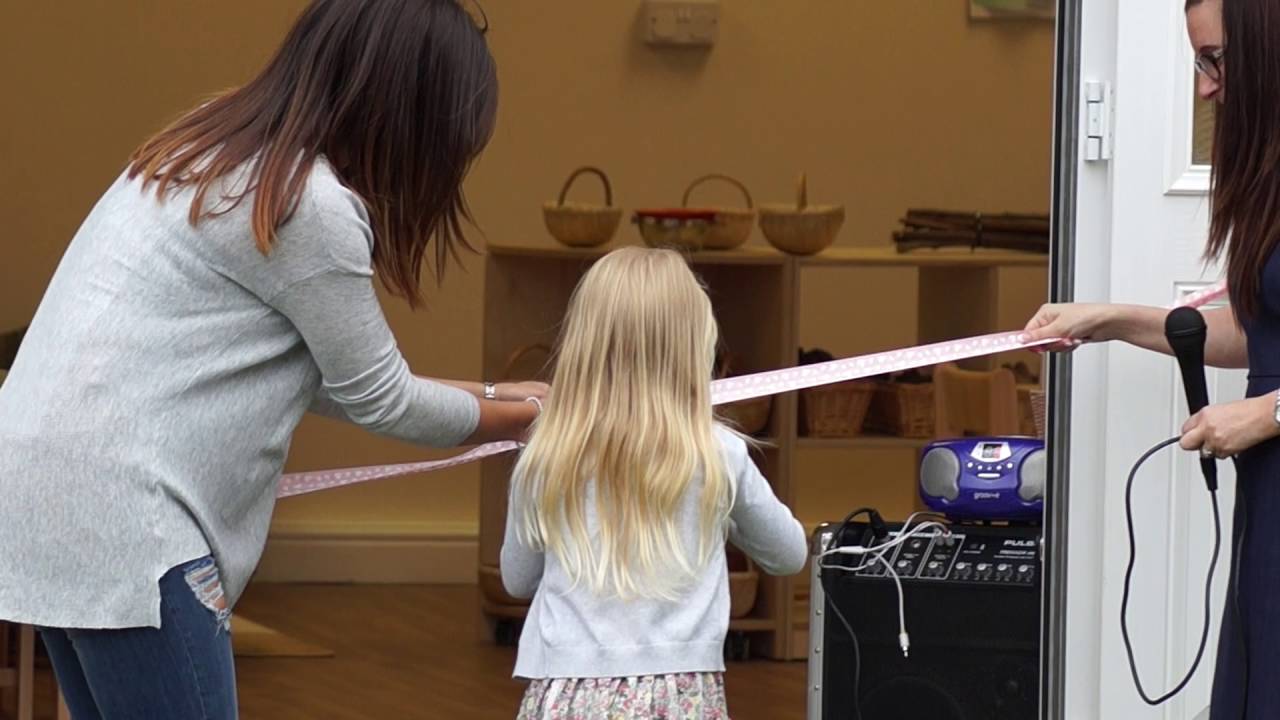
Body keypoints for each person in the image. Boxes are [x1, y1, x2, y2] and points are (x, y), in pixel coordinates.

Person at [0, 1, 544, 717]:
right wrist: (526, 415)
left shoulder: (211, 144)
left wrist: (506, 395)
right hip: (135, 527)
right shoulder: (308, 205)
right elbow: (384, 399)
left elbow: (337, 384)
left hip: (36, 494)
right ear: (407, 117)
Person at [1024, 0, 1280, 714]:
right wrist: (1111, 319)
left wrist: (1267, 412)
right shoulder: (1268, 171)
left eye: (1214, 59)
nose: (1203, 84)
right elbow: (1257, 333)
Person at [500, 247, 807, 719]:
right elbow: (788, 554)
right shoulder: (718, 452)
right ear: (693, 348)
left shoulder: (545, 453)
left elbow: (517, 580)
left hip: (566, 697)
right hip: (681, 700)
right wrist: (728, 514)